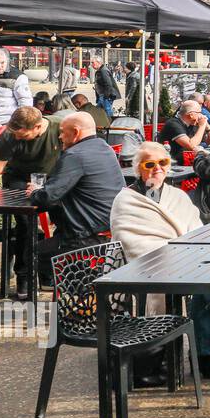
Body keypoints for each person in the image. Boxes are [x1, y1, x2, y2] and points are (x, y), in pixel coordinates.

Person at [110, 141, 210, 381]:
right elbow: (130, 239)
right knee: (203, 280)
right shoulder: (126, 200)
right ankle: (207, 345)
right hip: (146, 264)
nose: (157, 169)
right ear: (138, 168)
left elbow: (196, 230)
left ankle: (204, 351)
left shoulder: (177, 195)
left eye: (163, 163)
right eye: (149, 164)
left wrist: (190, 250)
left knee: (207, 269)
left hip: (184, 258)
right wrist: (174, 253)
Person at [27, 112, 125, 293]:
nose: (59, 136)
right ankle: (64, 289)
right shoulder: (104, 147)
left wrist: (35, 192)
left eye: (63, 132)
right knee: (43, 248)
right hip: (110, 232)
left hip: (84, 238)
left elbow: (47, 198)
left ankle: (69, 297)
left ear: (76, 132)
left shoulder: (74, 155)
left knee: (33, 253)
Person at [156, 100, 210, 165]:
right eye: (199, 112)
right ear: (191, 115)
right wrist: (202, 126)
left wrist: (208, 128)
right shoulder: (173, 124)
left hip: (187, 163)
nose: (201, 115)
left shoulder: (193, 124)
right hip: (171, 165)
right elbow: (191, 146)